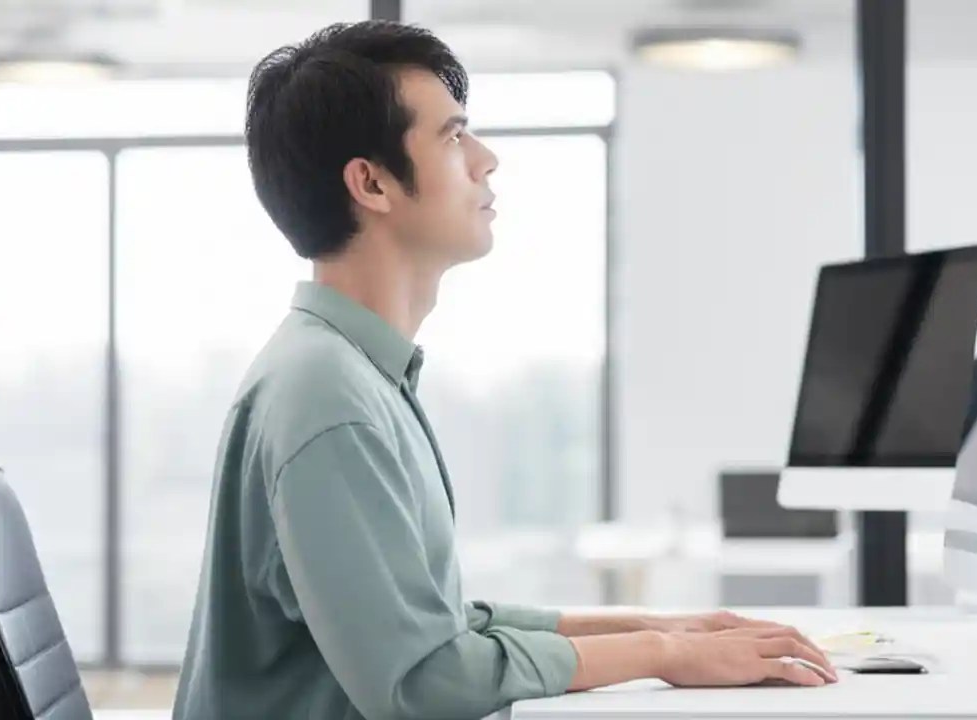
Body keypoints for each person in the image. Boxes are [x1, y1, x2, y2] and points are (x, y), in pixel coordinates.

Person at [172, 20, 837, 720]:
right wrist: (662, 655)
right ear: (371, 183)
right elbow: (422, 683)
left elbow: (443, 627)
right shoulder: (327, 396)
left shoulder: (350, 373)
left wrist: (666, 630)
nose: (486, 160)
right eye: (454, 137)